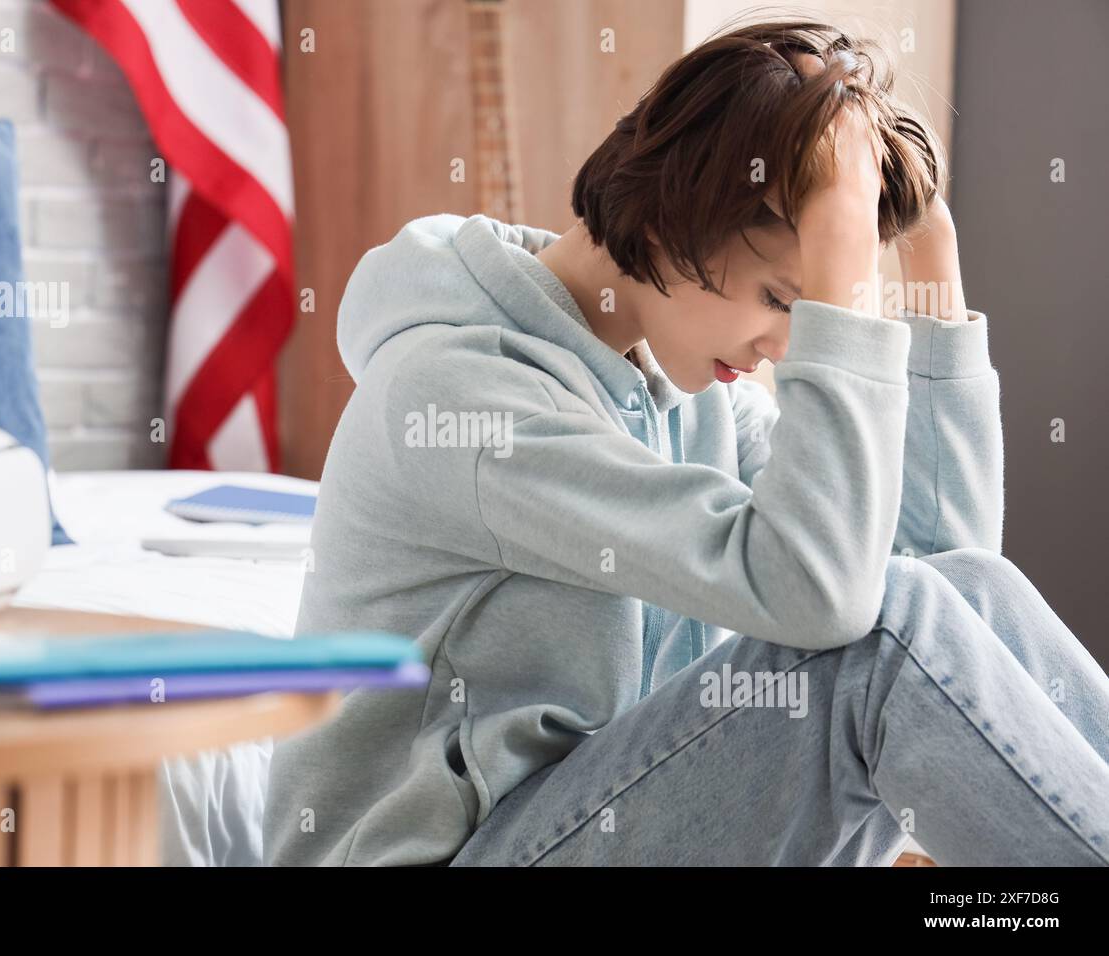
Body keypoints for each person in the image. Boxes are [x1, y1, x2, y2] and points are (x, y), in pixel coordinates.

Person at [263, 18, 1109, 866]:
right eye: (783, 299)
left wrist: (929, 249)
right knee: (884, 640)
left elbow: (936, 586)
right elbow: (833, 601)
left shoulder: (679, 389)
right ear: (675, 220)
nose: (786, 348)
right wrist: (840, 283)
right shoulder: (466, 397)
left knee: (970, 587)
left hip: (582, 823)